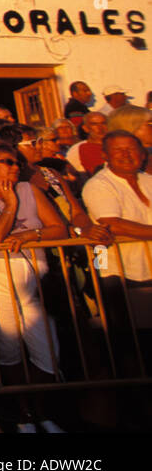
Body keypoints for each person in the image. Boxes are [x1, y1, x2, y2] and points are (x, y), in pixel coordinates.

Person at [0, 142, 69, 431]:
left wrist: (30, 235)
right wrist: (11, 204)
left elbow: (59, 228)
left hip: (34, 276)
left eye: (17, 163)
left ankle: (43, 413)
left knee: (47, 351)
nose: (15, 167)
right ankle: (24, 415)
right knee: (9, 350)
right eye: (7, 162)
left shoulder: (31, 189)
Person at [81, 131, 152, 372]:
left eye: (131, 149)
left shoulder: (148, 180)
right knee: (128, 341)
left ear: (142, 155)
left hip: (148, 268)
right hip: (116, 271)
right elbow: (112, 223)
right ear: (105, 155)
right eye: (118, 150)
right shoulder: (98, 184)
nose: (125, 154)